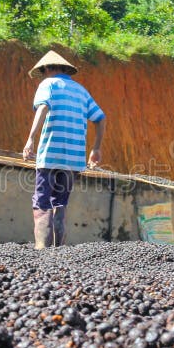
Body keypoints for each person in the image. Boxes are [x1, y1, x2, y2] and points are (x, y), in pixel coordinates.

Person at [23, 51, 106, 249]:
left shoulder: (48, 84)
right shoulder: (81, 91)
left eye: (43, 72)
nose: (43, 75)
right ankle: (57, 250)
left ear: (48, 69)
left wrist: (30, 139)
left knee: (42, 201)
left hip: (51, 154)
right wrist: (96, 148)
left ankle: (42, 248)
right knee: (60, 202)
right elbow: (100, 118)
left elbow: (43, 108)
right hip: (73, 159)